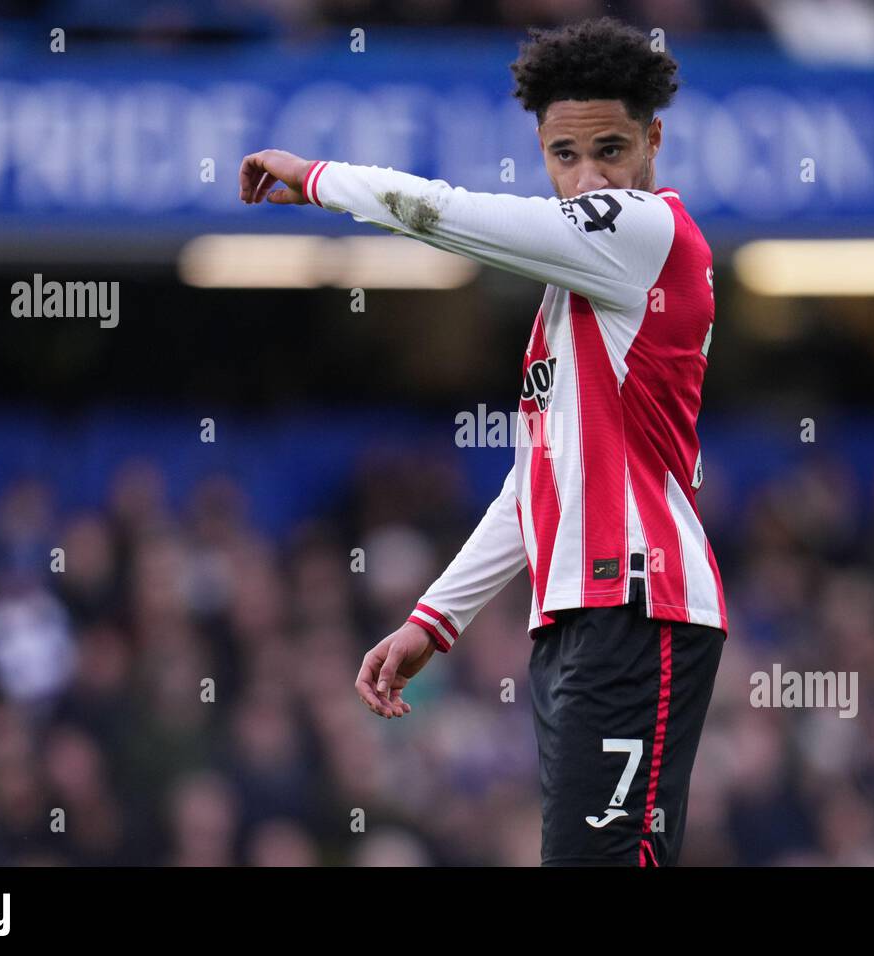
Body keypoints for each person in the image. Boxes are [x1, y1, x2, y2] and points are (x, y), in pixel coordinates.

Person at [238, 17, 727, 867]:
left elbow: (457, 218)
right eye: (563, 157)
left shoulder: (645, 232)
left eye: (610, 150)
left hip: (639, 607)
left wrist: (321, 179)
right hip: (580, 619)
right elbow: (536, 483)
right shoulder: (571, 308)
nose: (586, 180)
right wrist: (437, 618)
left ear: (654, 140)